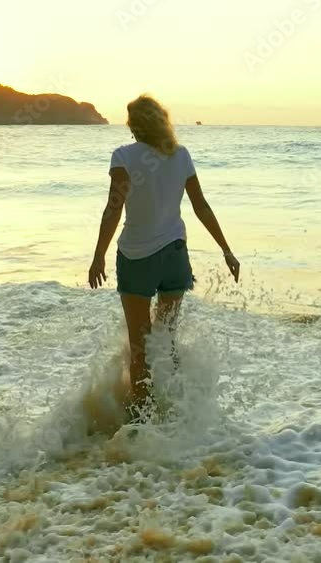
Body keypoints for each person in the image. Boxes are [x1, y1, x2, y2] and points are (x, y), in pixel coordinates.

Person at [88, 95, 240, 420]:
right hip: (175, 257)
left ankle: (143, 421)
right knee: (166, 339)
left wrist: (99, 255)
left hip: (137, 258)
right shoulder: (180, 155)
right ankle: (175, 410)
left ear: (134, 126)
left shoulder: (124, 156)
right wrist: (226, 250)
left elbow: (114, 208)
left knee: (140, 347)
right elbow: (201, 207)